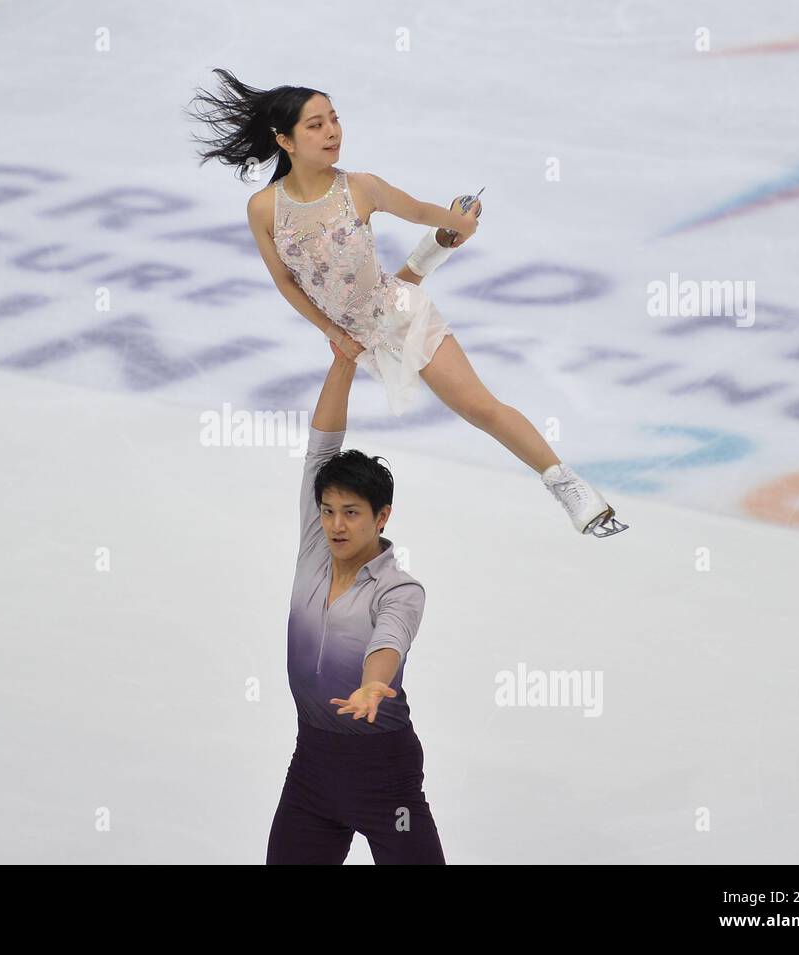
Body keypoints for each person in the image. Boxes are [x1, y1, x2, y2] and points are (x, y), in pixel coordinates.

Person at [185, 68, 628, 537]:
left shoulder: (360, 187)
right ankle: (427, 257)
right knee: (330, 427)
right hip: (354, 330)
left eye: (334, 118)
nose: (332, 131)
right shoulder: (264, 208)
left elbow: (423, 212)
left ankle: (567, 485)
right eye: (315, 125)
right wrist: (332, 332)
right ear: (285, 141)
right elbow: (285, 283)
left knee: (477, 407)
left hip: (399, 314)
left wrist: (458, 223)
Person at [264, 340, 445, 864]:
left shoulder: (400, 590)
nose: (336, 525)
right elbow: (321, 447)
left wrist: (372, 685)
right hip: (312, 770)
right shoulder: (314, 547)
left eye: (351, 513)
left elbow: (389, 642)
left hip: (383, 775)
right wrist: (343, 359)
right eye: (327, 510)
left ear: (382, 516)